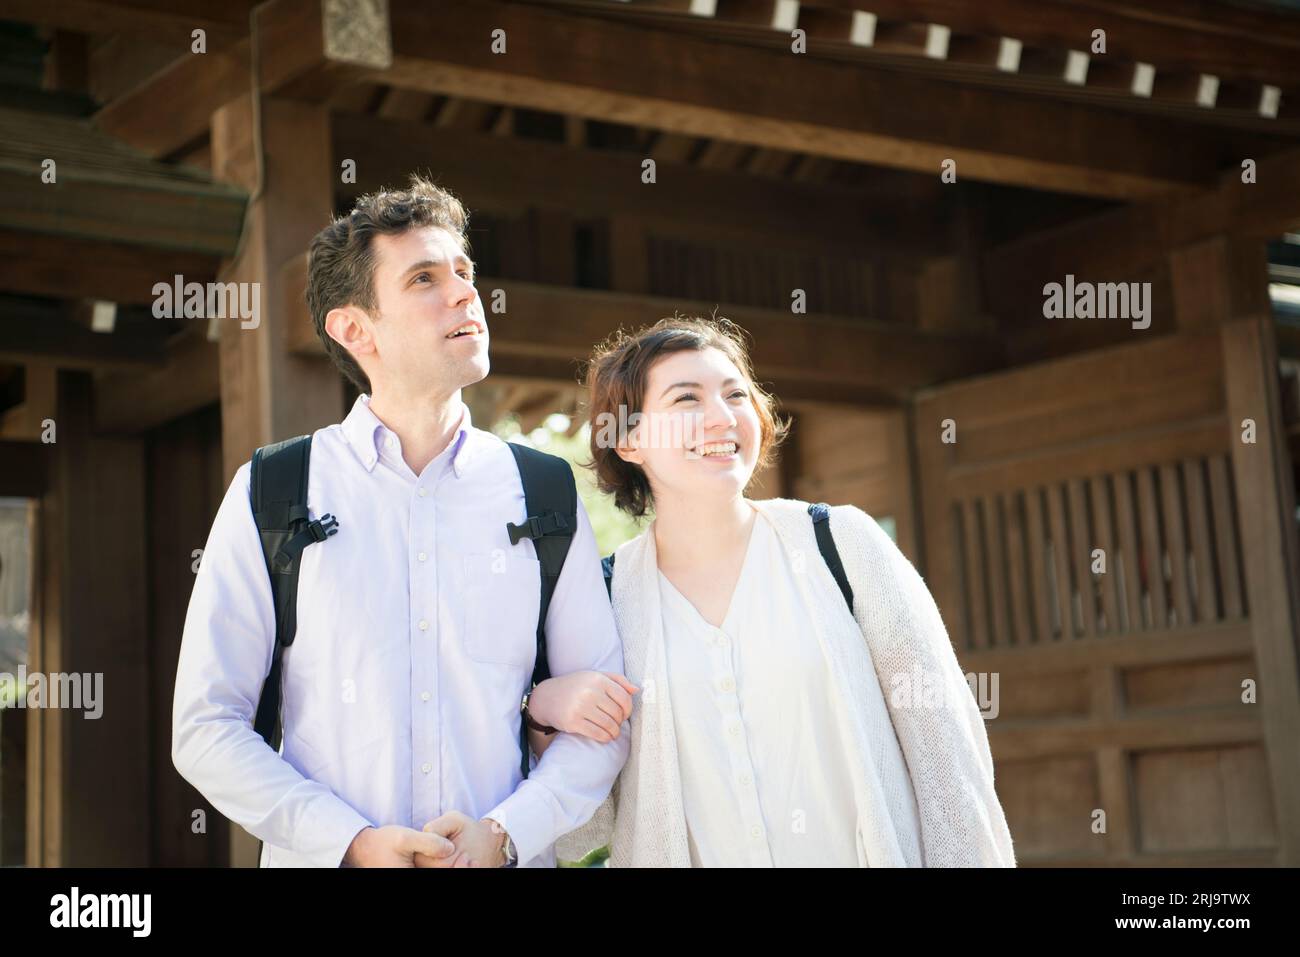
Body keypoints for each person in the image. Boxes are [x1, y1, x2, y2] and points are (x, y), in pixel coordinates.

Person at [172, 176, 630, 868]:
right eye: (424, 278)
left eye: (465, 272)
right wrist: (346, 841)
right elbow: (206, 726)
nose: (464, 293)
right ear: (355, 328)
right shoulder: (272, 488)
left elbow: (604, 719)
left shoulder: (543, 491)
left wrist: (504, 833)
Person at [526, 317, 1016, 867]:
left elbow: (947, 757)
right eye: (687, 399)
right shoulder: (608, 597)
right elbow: (582, 829)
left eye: (735, 394)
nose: (722, 416)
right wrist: (542, 715)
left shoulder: (843, 544)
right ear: (630, 440)